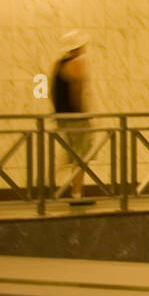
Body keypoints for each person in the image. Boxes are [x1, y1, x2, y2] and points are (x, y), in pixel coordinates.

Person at [50, 31, 93, 204]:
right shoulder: (77, 65)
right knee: (80, 157)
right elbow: (77, 92)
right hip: (76, 118)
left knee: (69, 155)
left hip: (62, 117)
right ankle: (77, 193)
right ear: (77, 48)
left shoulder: (58, 64)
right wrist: (83, 114)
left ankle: (52, 185)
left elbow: (52, 92)